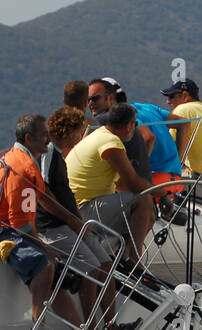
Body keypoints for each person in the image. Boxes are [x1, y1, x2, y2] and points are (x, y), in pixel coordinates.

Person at [0, 114, 86, 330]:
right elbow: (20, 225)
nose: (49, 138)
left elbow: (44, 198)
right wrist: (44, 248)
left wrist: (73, 222)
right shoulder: (24, 168)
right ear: (29, 138)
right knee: (44, 265)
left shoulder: (11, 157)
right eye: (44, 135)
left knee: (49, 262)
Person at [35, 106, 122, 330]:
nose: (81, 137)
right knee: (92, 270)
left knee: (105, 264)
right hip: (54, 227)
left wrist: (77, 221)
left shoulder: (59, 154)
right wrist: (72, 220)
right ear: (70, 131)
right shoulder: (50, 151)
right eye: (81, 131)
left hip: (73, 224)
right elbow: (42, 189)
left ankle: (111, 326)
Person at [65, 102, 154, 261]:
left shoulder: (100, 134)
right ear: (128, 126)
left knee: (149, 215)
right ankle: (135, 262)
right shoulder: (111, 144)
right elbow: (133, 184)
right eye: (136, 124)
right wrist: (161, 193)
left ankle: (122, 258)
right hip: (83, 209)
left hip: (74, 206)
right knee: (144, 200)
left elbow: (121, 185)